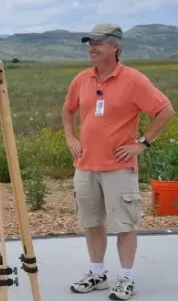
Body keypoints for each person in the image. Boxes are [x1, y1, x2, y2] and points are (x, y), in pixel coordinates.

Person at [62, 23, 176, 300]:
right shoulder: (82, 79)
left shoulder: (133, 80)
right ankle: (97, 273)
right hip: (85, 166)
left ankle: (126, 278)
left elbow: (165, 110)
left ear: (115, 46)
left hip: (118, 168)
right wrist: (70, 138)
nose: (92, 47)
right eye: (89, 43)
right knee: (92, 223)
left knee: (124, 225)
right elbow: (68, 110)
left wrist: (142, 144)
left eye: (98, 43)